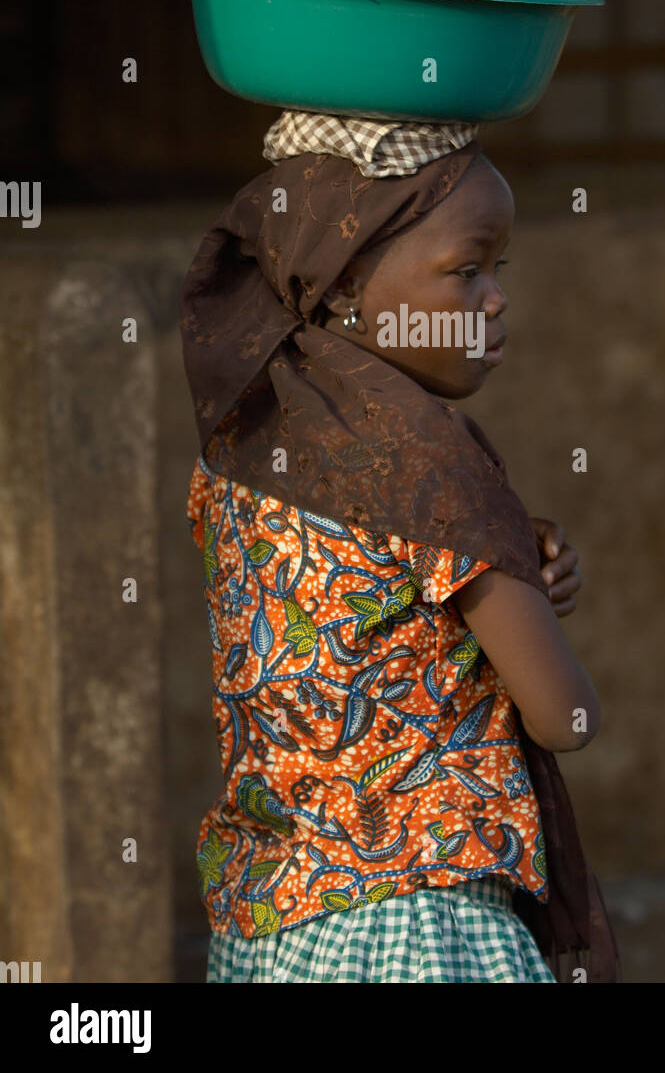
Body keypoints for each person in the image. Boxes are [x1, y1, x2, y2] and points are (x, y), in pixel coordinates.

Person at [180, 111, 621, 983]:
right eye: (466, 270)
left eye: (499, 270)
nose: (495, 297)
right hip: (422, 928)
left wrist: (502, 558)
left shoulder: (236, 451)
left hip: (272, 926)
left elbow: (354, 608)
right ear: (343, 281)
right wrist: (501, 578)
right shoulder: (427, 465)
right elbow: (563, 716)